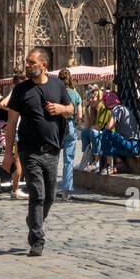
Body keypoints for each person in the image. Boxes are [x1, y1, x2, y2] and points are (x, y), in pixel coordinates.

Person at [2, 48, 73, 257]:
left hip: (52, 150)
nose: (27, 65)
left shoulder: (57, 85)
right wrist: (8, 153)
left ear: (44, 65)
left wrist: (60, 109)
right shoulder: (21, 90)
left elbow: (72, 109)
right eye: (27, 61)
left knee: (49, 196)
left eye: (32, 62)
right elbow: (11, 123)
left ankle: (34, 219)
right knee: (37, 193)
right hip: (28, 150)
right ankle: (37, 239)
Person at [0, 71, 28, 199]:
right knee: (19, 160)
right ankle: (15, 189)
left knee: (21, 159)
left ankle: (18, 187)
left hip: (20, 129)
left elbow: (2, 104)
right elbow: (2, 104)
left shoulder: (17, 91)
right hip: (19, 129)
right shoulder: (18, 91)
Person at [97, 92, 140, 175]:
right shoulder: (124, 108)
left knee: (106, 134)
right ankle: (120, 165)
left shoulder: (117, 109)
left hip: (130, 145)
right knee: (106, 147)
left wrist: (103, 129)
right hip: (134, 146)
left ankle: (110, 166)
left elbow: (109, 126)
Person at [57, 67, 82, 201]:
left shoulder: (55, 92)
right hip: (71, 127)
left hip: (56, 127)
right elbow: (80, 115)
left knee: (52, 158)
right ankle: (66, 192)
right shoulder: (75, 94)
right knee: (68, 161)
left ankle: (48, 188)